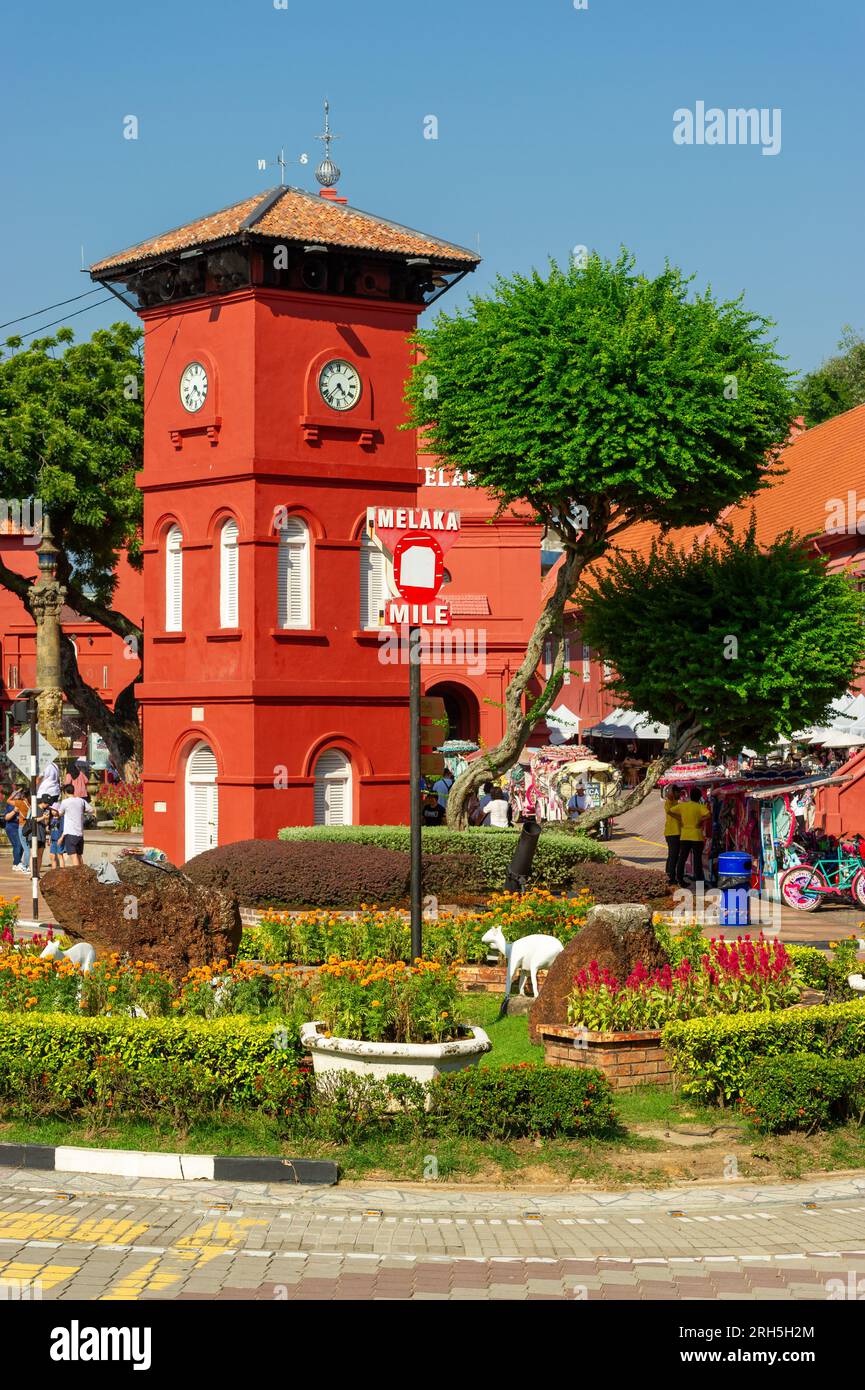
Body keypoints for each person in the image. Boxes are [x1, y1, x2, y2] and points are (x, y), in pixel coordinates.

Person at [671, 787, 710, 887]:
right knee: (697, 860)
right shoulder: (699, 807)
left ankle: (680, 879)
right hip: (696, 837)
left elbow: (670, 811)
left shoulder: (683, 806)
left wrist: (680, 819)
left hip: (685, 836)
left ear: (690, 796)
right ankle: (700, 884)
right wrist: (700, 821)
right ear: (699, 796)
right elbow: (708, 815)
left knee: (682, 858)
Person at [55, 790, 94, 868]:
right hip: (80, 833)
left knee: (74, 856)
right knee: (79, 855)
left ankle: (78, 874)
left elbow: (59, 813)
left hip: (70, 833)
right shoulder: (81, 800)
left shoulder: (65, 802)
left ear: (65, 793)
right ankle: (83, 873)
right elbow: (91, 810)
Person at [2, 789, 25, 872]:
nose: (19, 796)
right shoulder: (10, 805)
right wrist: (14, 811)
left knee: (22, 846)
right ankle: (16, 863)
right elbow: (6, 818)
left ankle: (17, 863)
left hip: (21, 827)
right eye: (17, 795)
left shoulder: (23, 803)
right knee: (17, 844)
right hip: (12, 827)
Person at [663, 786, 681, 886]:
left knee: (673, 856)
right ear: (674, 793)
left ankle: (669, 876)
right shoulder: (669, 802)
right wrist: (672, 785)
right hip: (672, 833)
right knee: (673, 856)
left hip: (677, 832)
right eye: (678, 793)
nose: (680, 795)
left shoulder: (676, 802)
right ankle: (670, 878)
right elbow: (669, 793)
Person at [47, 802, 65, 869]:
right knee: (52, 856)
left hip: (59, 839)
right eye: (52, 810)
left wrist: (61, 838)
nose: (52, 811)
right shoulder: (52, 819)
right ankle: (53, 871)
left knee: (60, 855)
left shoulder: (61, 819)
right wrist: (49, 839)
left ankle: (62, 871)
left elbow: (64, 830)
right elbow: (51, 830)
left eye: (54, 810)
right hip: (53, 840)